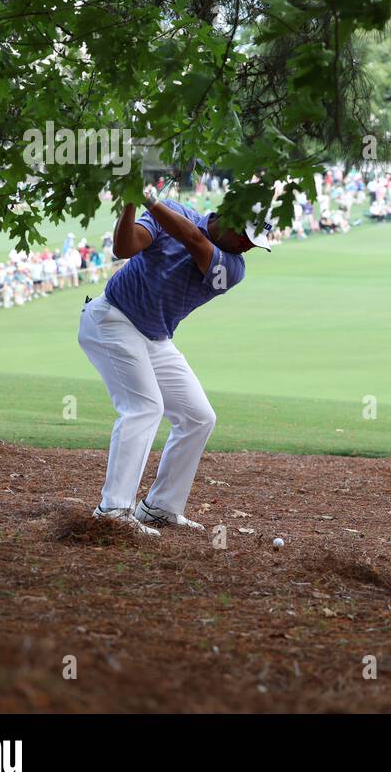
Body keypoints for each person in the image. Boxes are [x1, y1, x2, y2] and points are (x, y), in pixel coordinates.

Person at [77, 181, 273, 535]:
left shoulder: (233, 267)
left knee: (199, 417)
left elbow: (196, 242)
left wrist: (148, 197)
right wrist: (130, 203)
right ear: (228, 217)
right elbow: (124, 248)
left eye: (253, 243)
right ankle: (112, 511)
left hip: (154, 337)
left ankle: (159, 508)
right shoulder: (174, 211)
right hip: (112, 319)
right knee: (144, 408)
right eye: (246, 236)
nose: (248, 246)